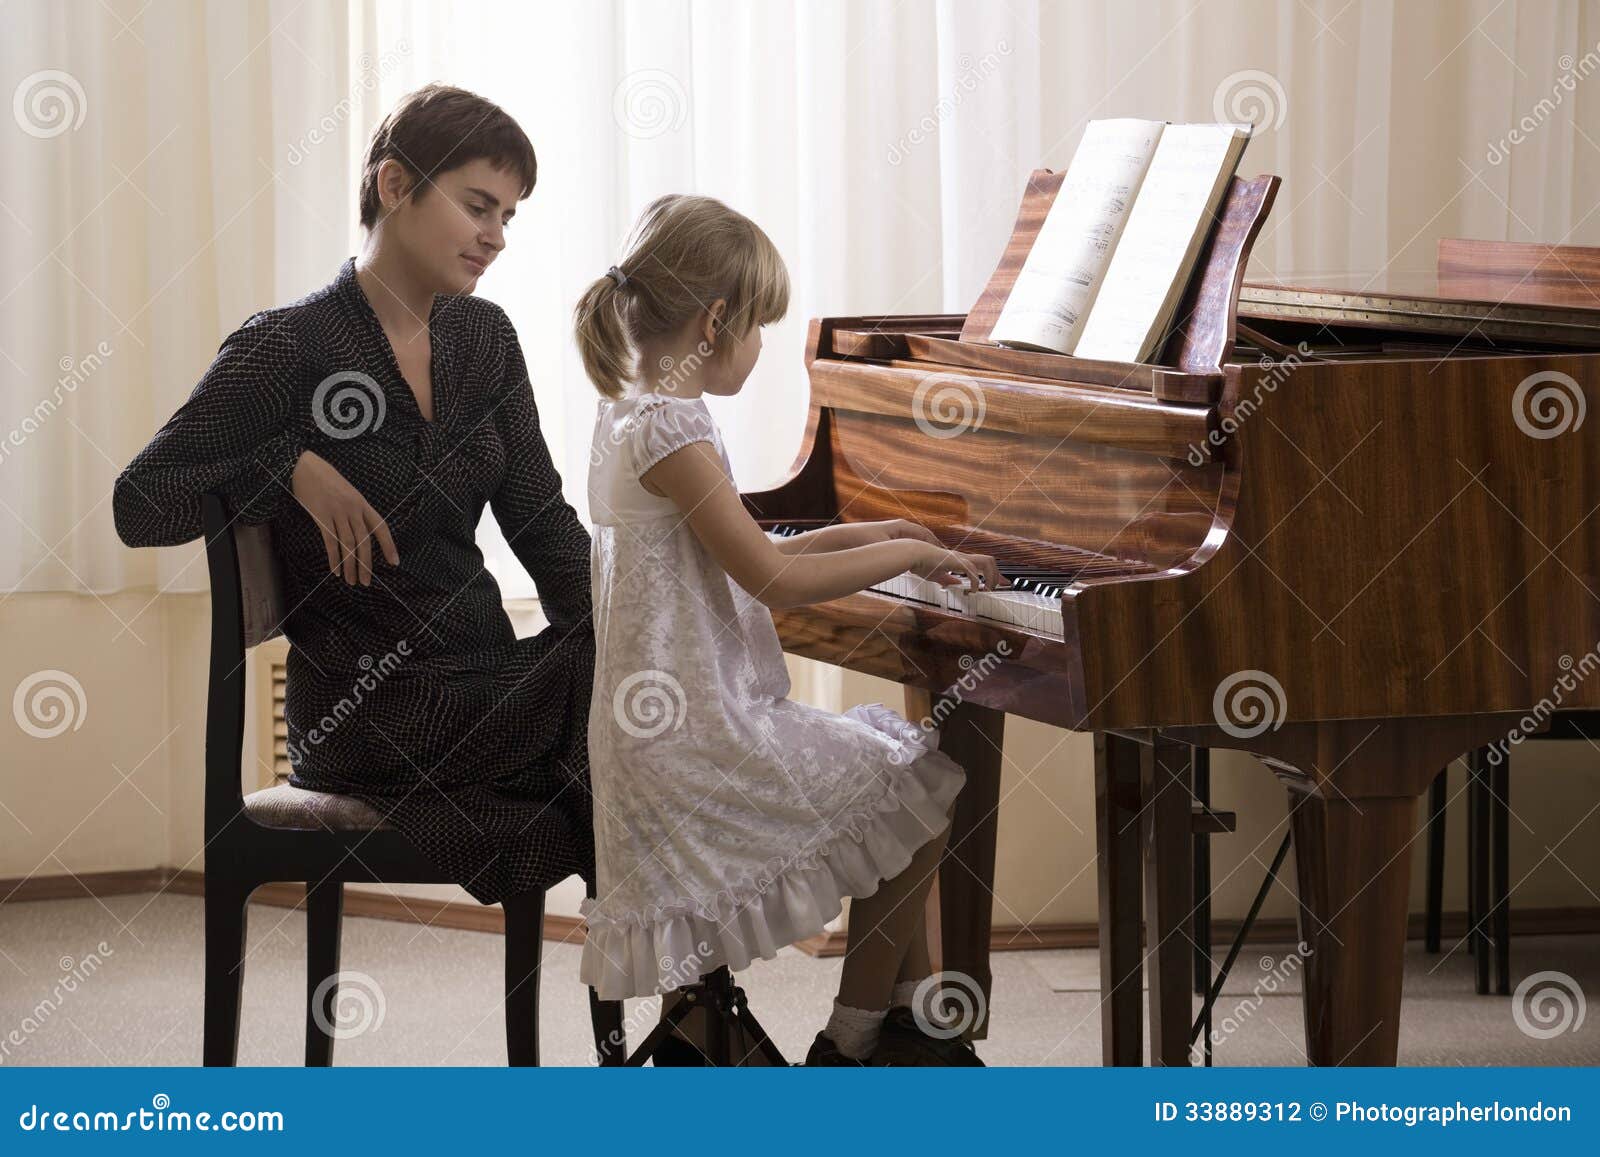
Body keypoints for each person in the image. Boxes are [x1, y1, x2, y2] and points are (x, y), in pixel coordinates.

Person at [113, 85, 597, 907]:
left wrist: (623, 619)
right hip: (369, 714)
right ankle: (683, 999)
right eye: (480, 206)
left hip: (485, 681)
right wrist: (288, 464)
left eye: (509, 216)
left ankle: (681, 989)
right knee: (623, 702)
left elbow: (542, 521)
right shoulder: (284, 348)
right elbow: (141, 502)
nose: (496, 237)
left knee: (634, 670)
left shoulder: (486, 340)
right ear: (395, 186)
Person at [573, 193, 1001, 1065]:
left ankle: (904, 1027)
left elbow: (754, 540)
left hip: (675, 725)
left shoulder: (634, 407)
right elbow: (771, 576)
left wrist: (892, 535)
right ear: (716, 318)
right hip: (695, 738)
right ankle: (852, 1045)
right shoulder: (671, 425)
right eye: (759, 327)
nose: (762, 346)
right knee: (915, 789)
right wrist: (899, 554)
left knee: (902, 788)